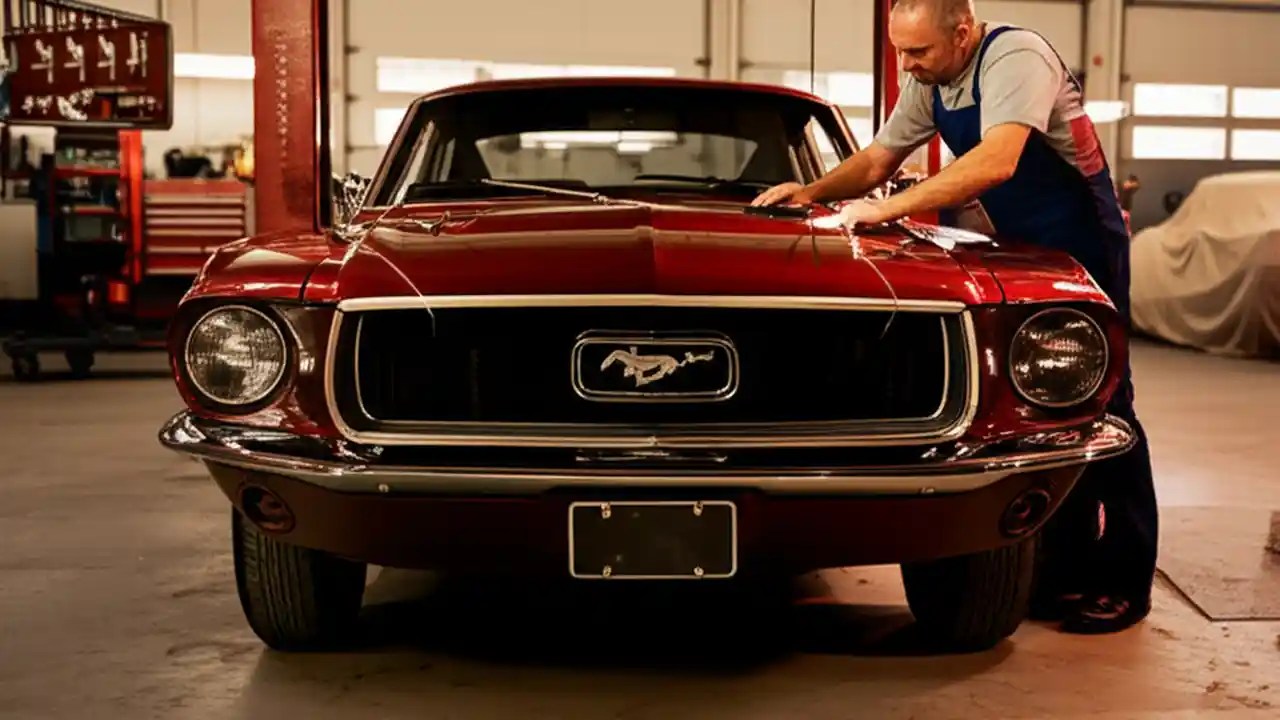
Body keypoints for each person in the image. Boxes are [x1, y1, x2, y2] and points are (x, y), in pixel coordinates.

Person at [752, 0, 1158, 634]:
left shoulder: (1016, 56)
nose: (907, 65)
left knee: (1101, 402)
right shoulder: (933, 78)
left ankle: (1123, 581)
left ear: (963, 32)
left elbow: (997, 161)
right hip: (1020, 246)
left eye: (918, 51)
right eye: (900, 51)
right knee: (1038, 410)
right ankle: (1064, 570)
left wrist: (885, 211)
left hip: (1081, 239)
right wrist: (811, 192)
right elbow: (879, 158)